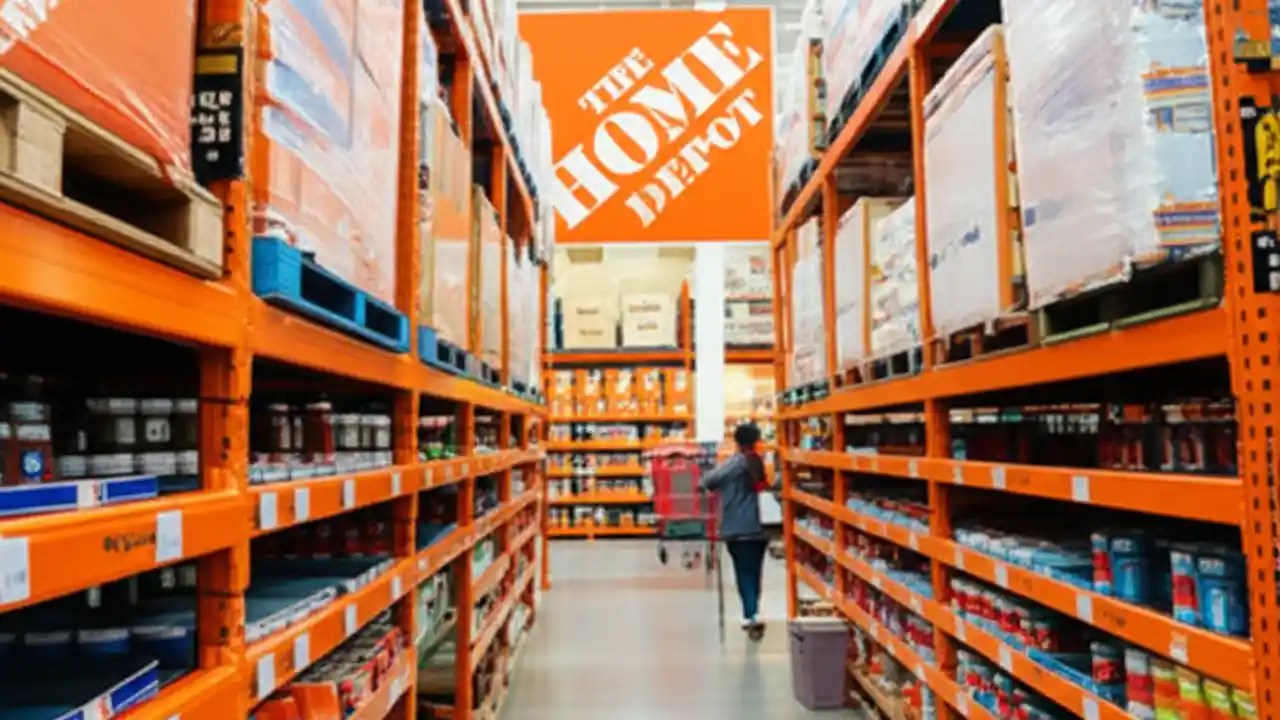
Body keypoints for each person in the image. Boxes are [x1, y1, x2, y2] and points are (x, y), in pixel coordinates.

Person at [699, 422, 769, 629]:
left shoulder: (736, 463)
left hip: (738, 528)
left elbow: (708, 481)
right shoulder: (757, 462)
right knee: (755, 571)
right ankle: (754, 608)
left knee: (744, 572)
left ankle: (750, 613)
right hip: (760, 527)